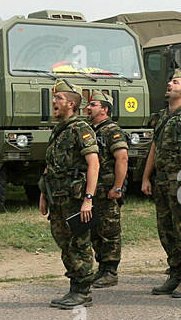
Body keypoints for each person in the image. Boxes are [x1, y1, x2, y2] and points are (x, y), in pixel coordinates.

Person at [141, 69, 181, 298]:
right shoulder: (161, 116)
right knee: (166, 230)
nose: (169, 83)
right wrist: (146, 177)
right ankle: (174, 274)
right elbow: (155, 148)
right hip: (162, 183)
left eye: (175, 82)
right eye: (170, 80)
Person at [39, 79, 100, 308]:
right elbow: (49, 166)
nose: (54, 101)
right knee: (64, 242)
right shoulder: (58, 130)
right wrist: (43, 195)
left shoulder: (81, 129)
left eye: (59, 98)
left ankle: (83, 291)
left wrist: (88, 200)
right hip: (57, 198)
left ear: (72, 105)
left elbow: (93, 164)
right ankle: (74, 287)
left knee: (79, 243)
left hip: (75, 199)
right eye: (54, 98)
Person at [84, 91, 129, 288]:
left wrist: (117, 187)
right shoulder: (90, 130)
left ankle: (110, 270)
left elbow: (122, 158)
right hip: (95, 190)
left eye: (93, 104)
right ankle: (101, 268)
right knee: (95, 230)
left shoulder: (112, 130)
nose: (88, 108)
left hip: (108, 189)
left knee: (109, 230)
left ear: (105, 109)